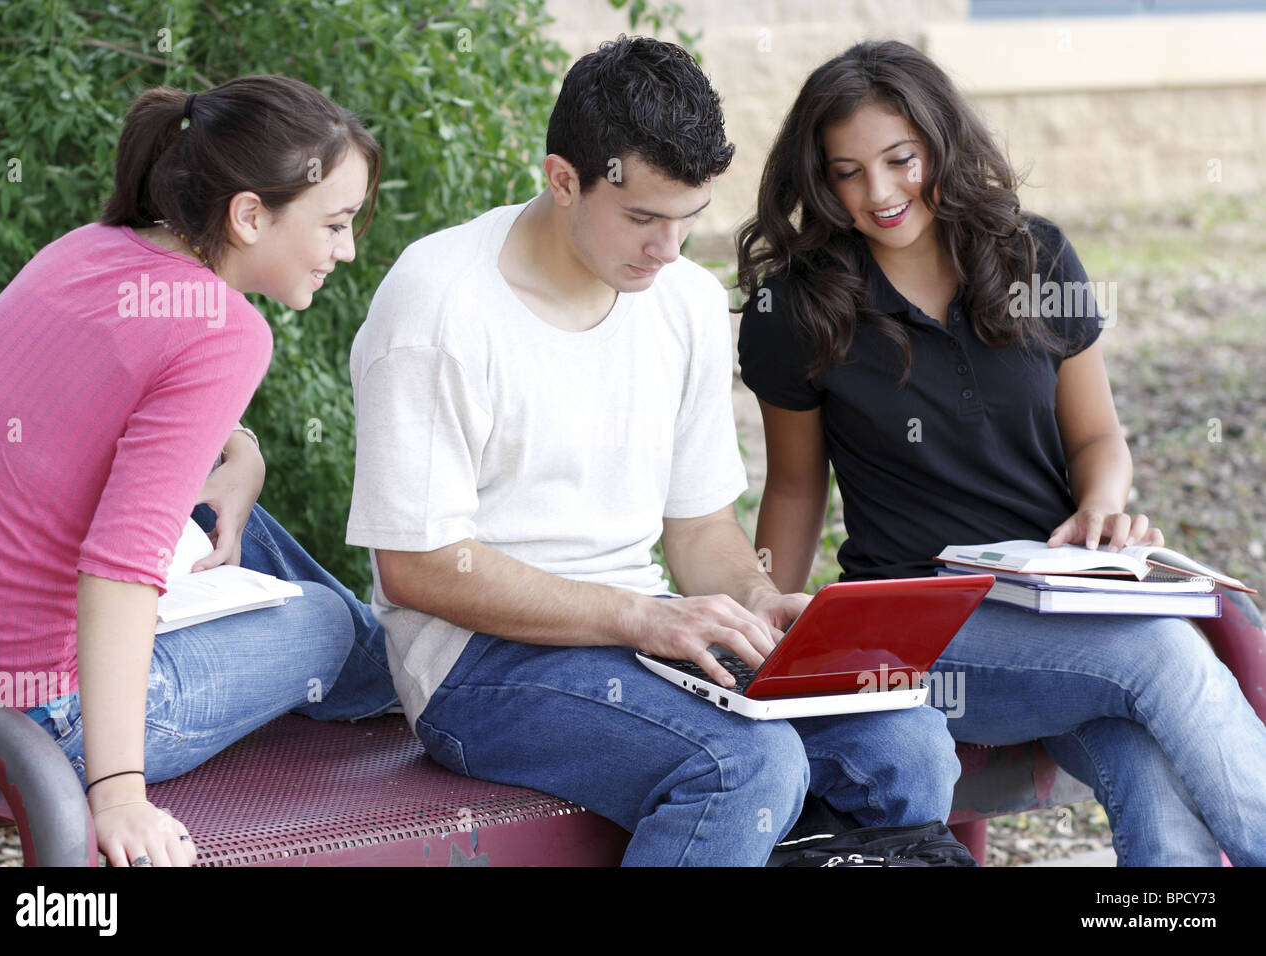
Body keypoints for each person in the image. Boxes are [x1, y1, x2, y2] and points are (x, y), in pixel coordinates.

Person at [346, 35, 962, 867]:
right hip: (475, 668)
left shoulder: (684, 301)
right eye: (641, 218)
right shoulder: (439, 302)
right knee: (743, 763)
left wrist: (753, 602)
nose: (668, 250)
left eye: (687, 220)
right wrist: (645, 615)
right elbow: (417, 567)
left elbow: (700, 530)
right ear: (563, 180)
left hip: (645, 636)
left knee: (911, 744)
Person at [736, 39, 1266, 865]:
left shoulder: (1034, 256)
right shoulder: (801, 307)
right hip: (923, 629)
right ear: (819, 178)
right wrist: (763, 616)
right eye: (845, 171)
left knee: (1151, 767)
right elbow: (797, 487)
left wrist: (1102, 505)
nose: (877, 192)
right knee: (1162, 655)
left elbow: (1097, 437)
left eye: (900, 159)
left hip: (1066, 607)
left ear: (942, 142)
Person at [0, 75, 396, 867]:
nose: (348, 249)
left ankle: (391, 672)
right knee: (328, 624)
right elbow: (119, 570)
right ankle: (401, 679)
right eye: (335, 224)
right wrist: (118, 796)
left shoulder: (87, 250)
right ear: (249, 215)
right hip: (34, 721)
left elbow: (94, 414)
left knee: (229, 518)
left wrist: (244, 453)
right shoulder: (226, 330)